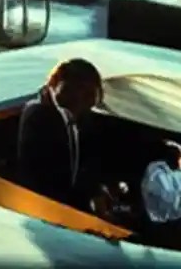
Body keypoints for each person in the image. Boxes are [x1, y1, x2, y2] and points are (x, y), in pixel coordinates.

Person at [16, 58, 111, 211]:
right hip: (45, 206)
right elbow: (47, 176)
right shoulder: (39, 114)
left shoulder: (74, 117)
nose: (81, 99)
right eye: (79, 90)